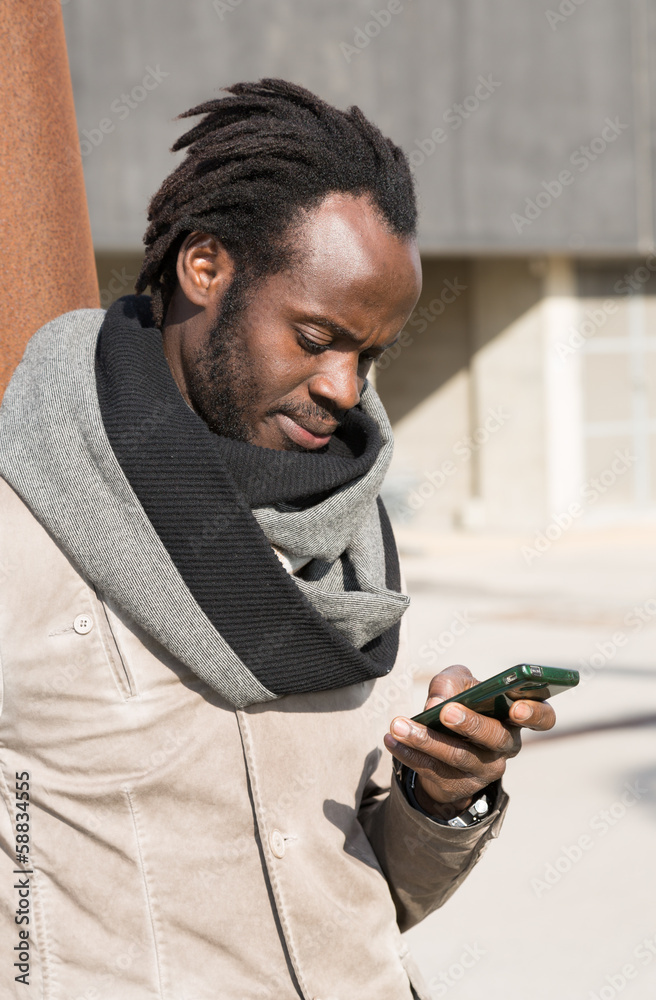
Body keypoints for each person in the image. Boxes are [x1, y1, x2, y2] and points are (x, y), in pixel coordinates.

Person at [0, 79, 555, 999]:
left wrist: (439, 799)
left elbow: (351, 894)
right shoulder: (22, 525)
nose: (345, 388)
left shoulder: (344, 537)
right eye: (314, 336)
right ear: (206, 268)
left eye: (368, 354)